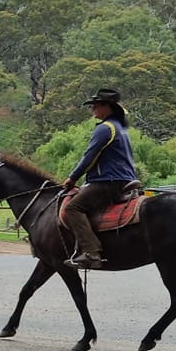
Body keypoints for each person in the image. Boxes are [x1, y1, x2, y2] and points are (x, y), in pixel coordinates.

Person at [61, 88, 140, 268]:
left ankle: (91, 253)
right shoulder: (119, 128)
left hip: (108, 181)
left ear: (107, 107)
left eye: (96, 105)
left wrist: (72, 178)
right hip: (123, 180)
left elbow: (89, 157)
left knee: (73, 208)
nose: (93, 109)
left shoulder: (105, 128)